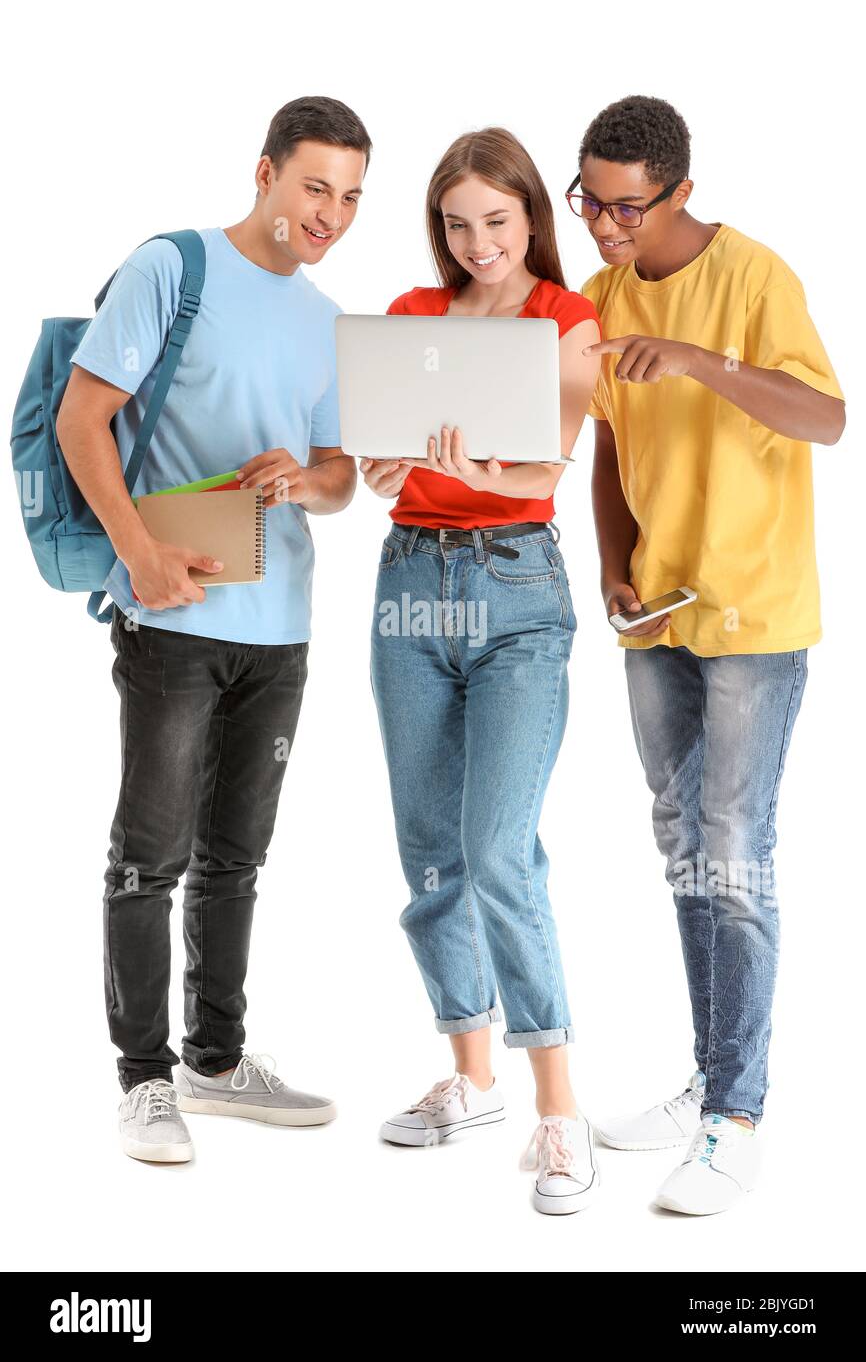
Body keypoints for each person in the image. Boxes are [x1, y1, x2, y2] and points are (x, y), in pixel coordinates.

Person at [56, 96, 368, 1163]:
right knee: (151, 854)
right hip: (173, 611)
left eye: (349, 195)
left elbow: (339, 476)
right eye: (314, 186)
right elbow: (80, 416)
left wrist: (306, 481)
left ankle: (218, 1062)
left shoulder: (328, 318)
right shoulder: (172, 267)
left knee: (236, 856)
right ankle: (144, 1080)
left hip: (280, 623)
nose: (329, 212)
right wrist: (138, 552)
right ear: (265, 174)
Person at [575, 95, 845, 1214]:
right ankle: (707, 1078)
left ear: (679, 192)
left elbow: (824, 417)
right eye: (585, 200)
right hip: (658, 618)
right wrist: (611, 566)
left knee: (733, 848)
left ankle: (737, 1114)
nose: (600, 226)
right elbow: (603, 445)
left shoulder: (756, 277)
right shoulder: (593, 299)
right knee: (681, 838)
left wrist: (693, 357)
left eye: (624, 207)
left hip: (750, 621)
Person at [360, 127, 602, 1214]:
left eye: (495, 221)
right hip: (410, 583)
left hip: (514, 593)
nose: (475, 243)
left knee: (497, 845)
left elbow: (549, 462)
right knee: (428, 849)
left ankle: (558, 1110)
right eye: (457, 225)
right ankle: (471, 1076)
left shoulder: (565, 317)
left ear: (526, 219)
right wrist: (385, 461)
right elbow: (375, 473)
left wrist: (479, 467)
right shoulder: (412, 318)